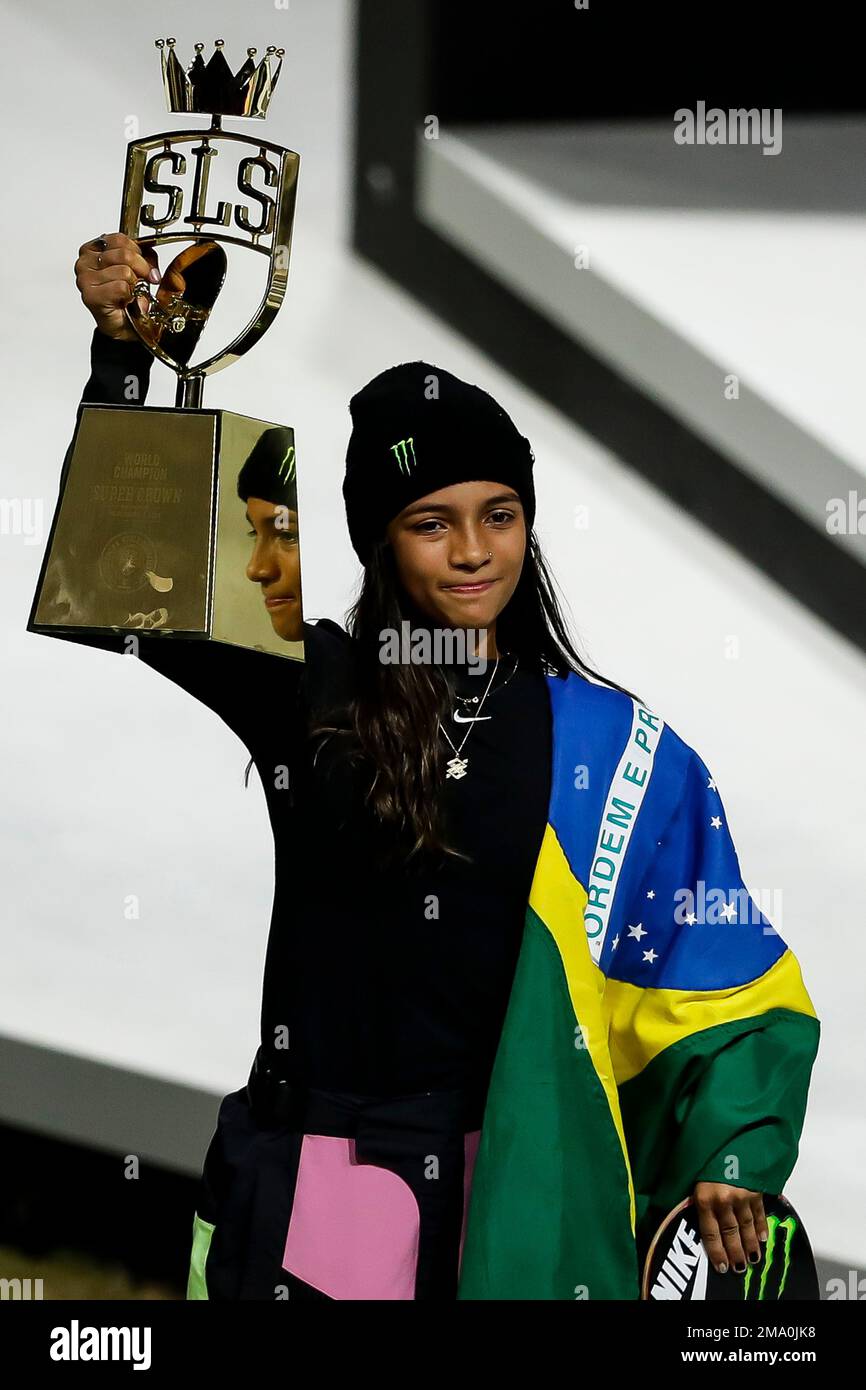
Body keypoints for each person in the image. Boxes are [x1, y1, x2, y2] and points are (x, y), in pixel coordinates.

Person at [49, 232, 819, 1300]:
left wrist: (732, 1156)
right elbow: (125, 588)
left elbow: (715, 964)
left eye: (499, 516)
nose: (472, 551)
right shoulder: (310, 683)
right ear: (380, 542)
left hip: (507, 1197)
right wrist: (124, 360)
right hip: (298, 1191)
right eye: (431, 523)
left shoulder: (608, 744)